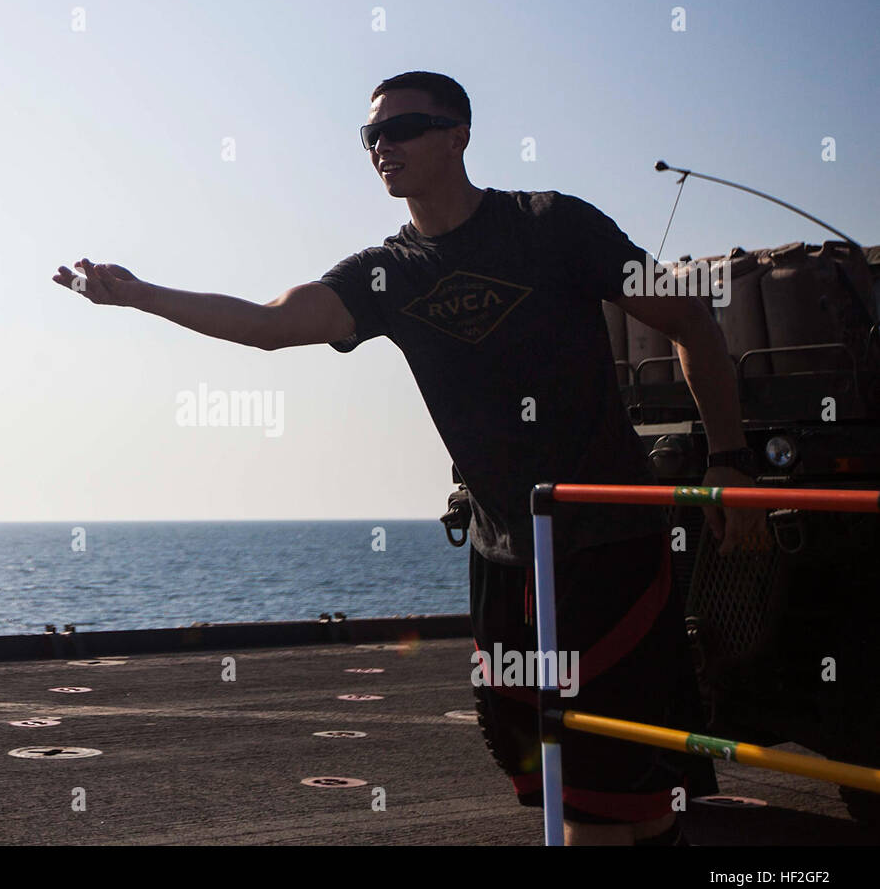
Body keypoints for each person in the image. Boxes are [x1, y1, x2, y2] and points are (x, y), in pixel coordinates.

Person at [51, 70, 771, 845]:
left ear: (458, 134)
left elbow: (692, 321)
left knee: (609, 778)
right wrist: (139, 295)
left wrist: (728, 461)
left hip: (609, 544)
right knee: (539, 760)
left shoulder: (551, 225)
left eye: (403, 129)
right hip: (505, 551)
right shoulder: (384, 273)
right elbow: (268, 324)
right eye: (371, 136)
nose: (382, 147)